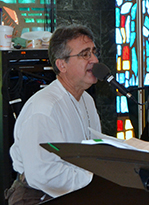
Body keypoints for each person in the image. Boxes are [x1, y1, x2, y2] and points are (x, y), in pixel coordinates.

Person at [6, 25, 102, 205]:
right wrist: (94, 180)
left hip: (75, 191)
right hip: (36, 196)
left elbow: (93, 148)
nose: (94, 60)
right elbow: (42, 174)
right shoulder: (44, 108)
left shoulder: (87, 100)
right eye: (85, 54)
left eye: (94, 52)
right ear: (61, 64)